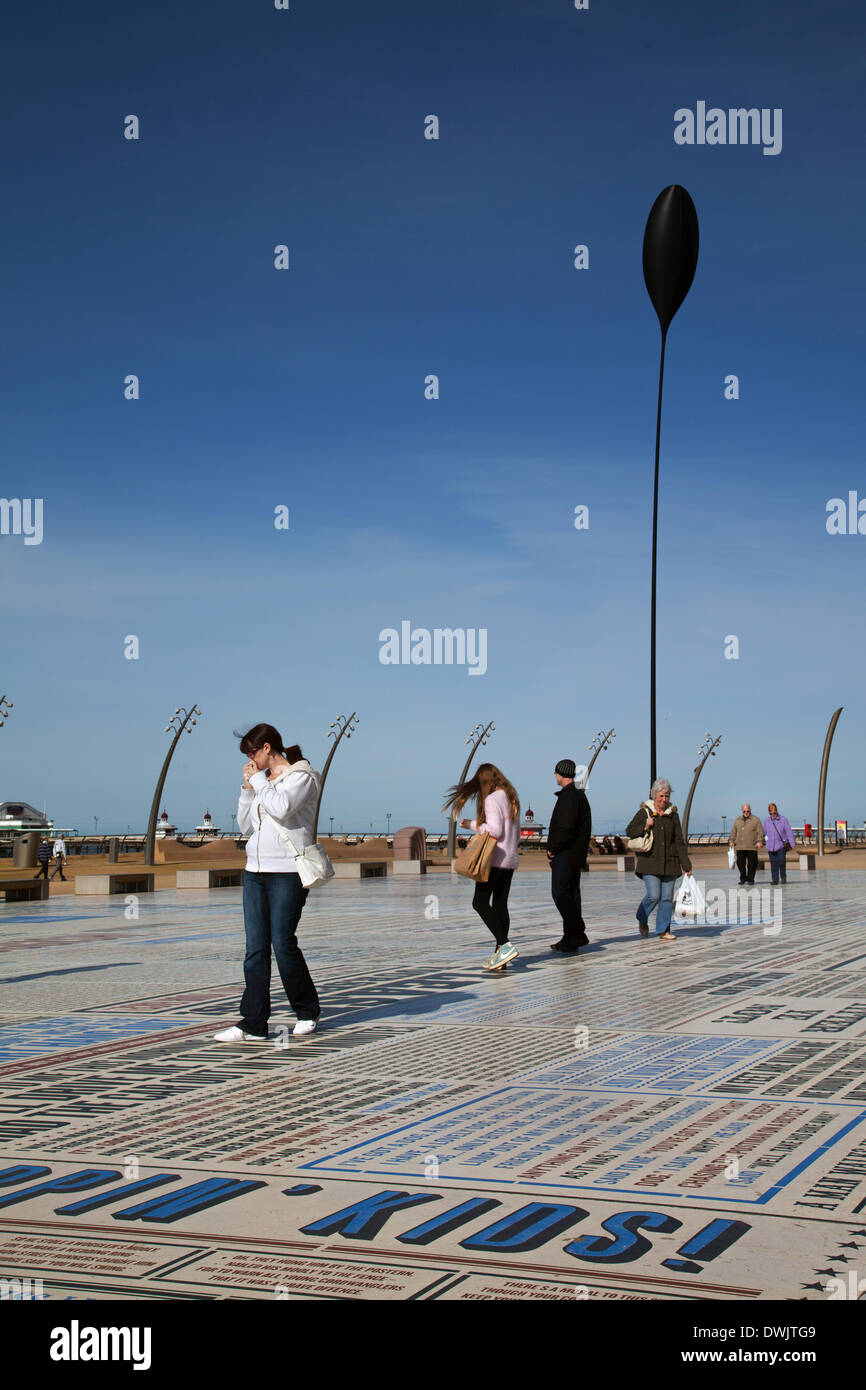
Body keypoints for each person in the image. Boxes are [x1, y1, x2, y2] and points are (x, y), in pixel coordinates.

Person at [215, 724, 322, 1043]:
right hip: (255, 872)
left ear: (267, 748)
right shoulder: (263, 783)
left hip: (288, 872)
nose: (250, 759)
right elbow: (245, 826)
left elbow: (282, 809)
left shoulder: (302, 776)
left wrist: (260, 782)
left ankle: (306, 1011)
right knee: (255, 949)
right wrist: (247, 790)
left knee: (283, 943)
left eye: (252, 752)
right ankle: (253, 1023)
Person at [444, 763, 520, 971]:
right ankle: (501, 955)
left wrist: (470, 824)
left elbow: (494, 830)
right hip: (510, 859)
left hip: (495, 860)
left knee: (479, 902)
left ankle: (504, 945)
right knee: (500, 905)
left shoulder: (493, 799)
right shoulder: (510, 796)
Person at [627, 778, 692, 942]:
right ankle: (642, 916)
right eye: (661, 796)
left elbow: (679, 841)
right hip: (649, 862)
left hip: (670, 863)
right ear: (654, 795)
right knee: (654, 895)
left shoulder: (673, 814)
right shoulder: (645, 812)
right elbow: (630, 831)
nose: (664, 799)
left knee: (667, 898)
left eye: (667, 796)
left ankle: (663, 930)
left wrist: (686, 864)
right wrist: (645, 825)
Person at [546, 759, 592, 953]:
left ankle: (577, 931)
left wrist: (553, 848)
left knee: (560, 893)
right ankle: (570, 938)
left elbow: (565, 827)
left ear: (560, 774)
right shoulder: (578, 796)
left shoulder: (569, 797)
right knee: (572, 895)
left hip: (566, 854)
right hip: (575, 855)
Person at [729, 803, 764, 885]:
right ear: (742, 811)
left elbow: (760, 832)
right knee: (740, 863)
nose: (746, 813)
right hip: (740, 846)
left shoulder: (756, 820)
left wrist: (759, 841)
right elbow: (733, 831)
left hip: (752, 846)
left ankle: (750, 879)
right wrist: (731, 840)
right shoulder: (737, 820)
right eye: (744, 811)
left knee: (752, 864)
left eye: (748, 811)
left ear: (750, 810)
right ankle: (743, 878)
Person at [763, 803, 795, 884]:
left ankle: (783, 877)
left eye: (774, 812)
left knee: (781, 862)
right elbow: (764, 833)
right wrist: (764, 841)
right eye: (771, 813)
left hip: (781, 846)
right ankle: (775, 880)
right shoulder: (766, 821)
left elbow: (788, 832)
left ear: (777, 811)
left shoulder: (783, 820)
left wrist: (792, 843)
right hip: (770, 847)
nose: (773, 814)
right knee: (773, 864)